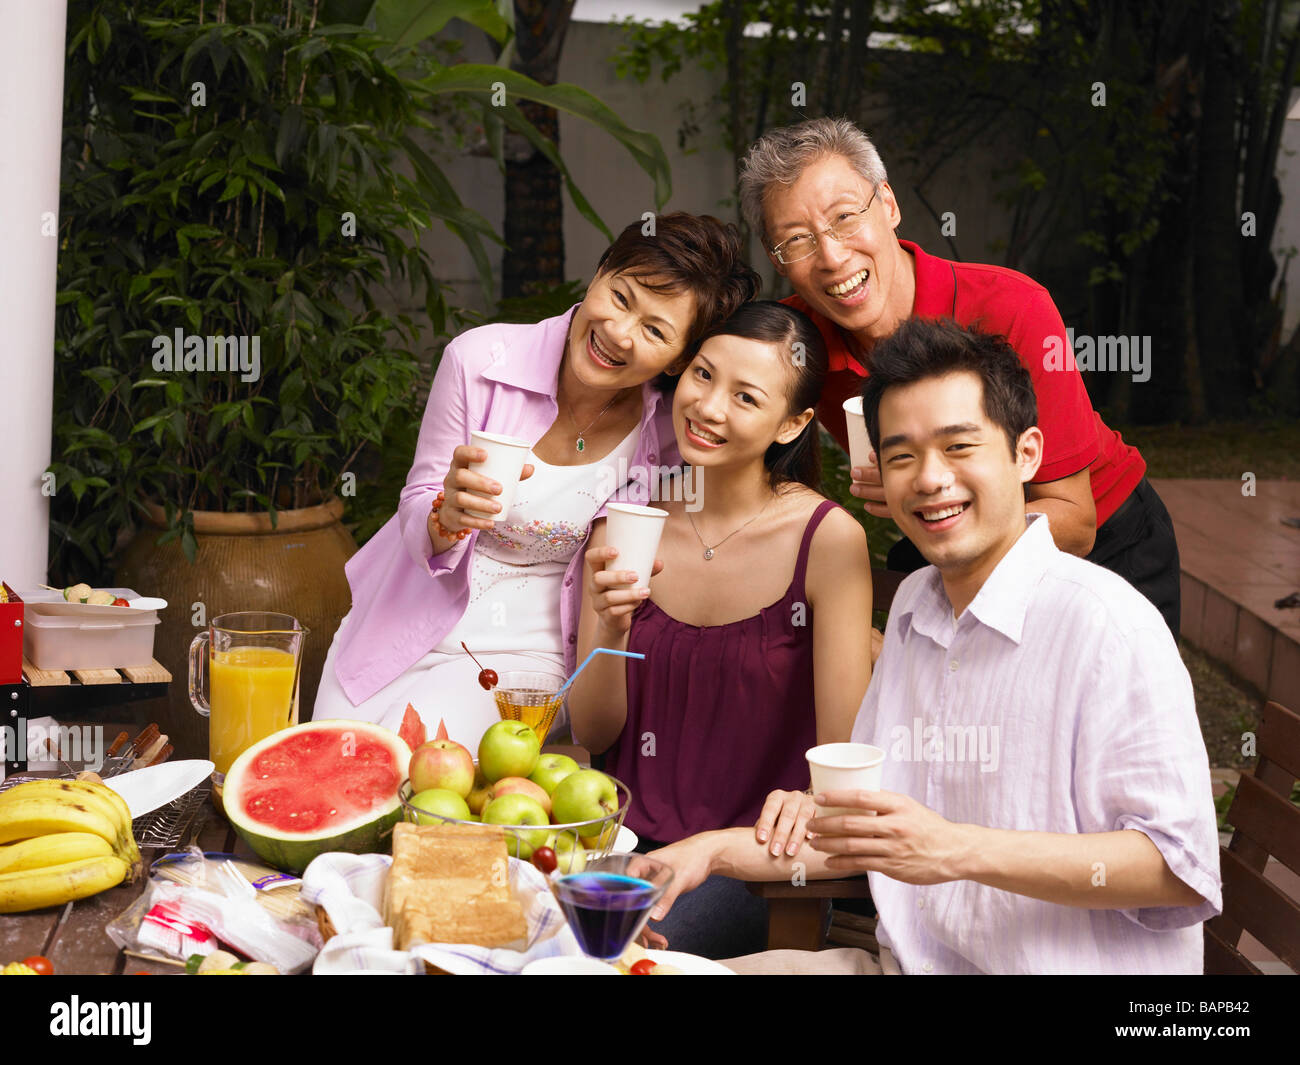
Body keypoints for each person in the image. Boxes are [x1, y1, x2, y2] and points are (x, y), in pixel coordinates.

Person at [645, 318, 1221, 974]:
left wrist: (953, 849)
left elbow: (1180, 867)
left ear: (1026, 453)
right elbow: (867, 836)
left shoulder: (1107, 626)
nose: (929, 478)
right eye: (902, 455)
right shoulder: (919, 607)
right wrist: (708, 852)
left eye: (958, 446)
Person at [311, 214, 760, 748]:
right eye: (621, 298)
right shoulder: (479, 361)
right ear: (599, 274)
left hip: (530, 654)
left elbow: (748, 478)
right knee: (330, 773)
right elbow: (417, 501)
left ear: (682, 358)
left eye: (655, 331)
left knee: (411, 767)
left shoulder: (669, 432)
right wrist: (443, 516)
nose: (619, 334)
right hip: (401, 619)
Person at [738, 117, 1181, 638]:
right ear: (776, 259)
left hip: (1100, 540)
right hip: (953, 537)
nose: (833, 258)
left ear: (888, 204)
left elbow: (1076, 522)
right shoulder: (796, 342)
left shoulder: (1011, 308)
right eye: (797, 241)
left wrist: (925, 492)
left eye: (845, 218)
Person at [567, 301, 874, 958]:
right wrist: (612, 622)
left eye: (745, 396)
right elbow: (594, 734)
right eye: (702, 374)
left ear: (793, 422)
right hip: (616, 845)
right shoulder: (626, 520)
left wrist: (804, 803)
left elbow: (840, 761)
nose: (707, 406)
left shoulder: (827, 541)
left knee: (603, 954)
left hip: (748, 867)